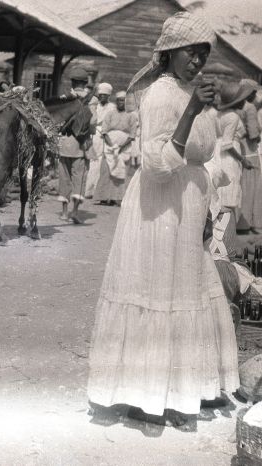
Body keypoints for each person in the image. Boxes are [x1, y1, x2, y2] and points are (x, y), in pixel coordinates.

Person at [87, 12, 239, 427]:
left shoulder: (194, 94)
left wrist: (208, 208)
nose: (198, 61)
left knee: (186, 285)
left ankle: (183, 388)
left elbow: (205, 157)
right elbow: (155, 163)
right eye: (192, 52)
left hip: (188, 203)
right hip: (159, 204)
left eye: (203, 54)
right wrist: (191, 111)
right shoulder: (160, 95)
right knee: (158, 286)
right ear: (170, 53)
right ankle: (145, 394)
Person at [212, 82, 255, 248]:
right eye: (242, 99)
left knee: (222, 194)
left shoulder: (219, 115)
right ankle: (226, 239)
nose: (245, 102)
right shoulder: (233, 117)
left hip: (218, 155)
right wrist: (243, 159)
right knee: (229, 195)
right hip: (228, 157)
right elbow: (227, 144)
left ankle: (220, 237)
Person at [57, 67, 92, 223]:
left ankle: (64, 213)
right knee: (79, 178)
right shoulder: (92, 100)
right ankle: (75, 212)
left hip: (64, 143)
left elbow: (58, 120)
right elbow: (94, 122)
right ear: (85, 83)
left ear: (72, 82)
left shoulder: (65, 97)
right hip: (81, 144)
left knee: (64, 178)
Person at [93, 90, 139, 206]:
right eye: (118, 100)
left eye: (123, 101)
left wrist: (120, 146)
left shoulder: (131, 116)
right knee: (106, 170)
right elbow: (104, 131)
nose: (121, 103)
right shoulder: (110, 114)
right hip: (109, 145)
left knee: (120, 171)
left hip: (124, 147)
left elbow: (132, 134)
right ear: (116, 101)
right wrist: (111, 145)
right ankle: (103, 197)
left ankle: (116, 198)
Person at [237, 79, 262, 233]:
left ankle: (239, 220)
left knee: (241, 184)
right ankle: (248, 222)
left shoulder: (235, 105)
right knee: (251, 184)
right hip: (250, 148)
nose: (255, 95)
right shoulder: (250, 107)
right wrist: (258, 136)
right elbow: (253, 134)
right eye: (254, 92)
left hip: (238, 148)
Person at [85, 82, 116, 198]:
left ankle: (99, 192)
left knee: (104, 162)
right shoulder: (94, 105)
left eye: (105, 95)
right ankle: (88, 190)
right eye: (101, 94)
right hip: (95, 134)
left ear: (109, 96)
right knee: (93, 161)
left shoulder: (112, 107)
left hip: (106, 135)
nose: (102, 97)